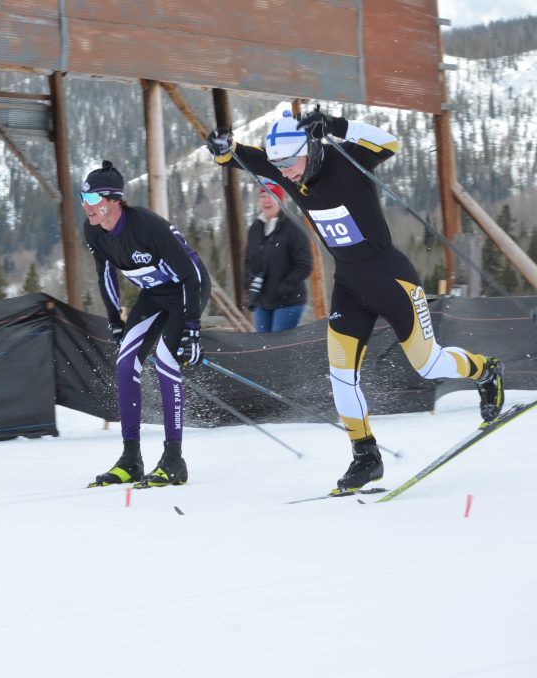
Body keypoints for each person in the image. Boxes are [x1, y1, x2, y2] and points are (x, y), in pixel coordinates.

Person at [206, 109, 504, 492]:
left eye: (289, 163)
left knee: (427, 363)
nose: (285, 173)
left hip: (391, 279)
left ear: (310, 149)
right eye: (278, 165)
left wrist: (334, 126)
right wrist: (222, 146)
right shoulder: (287, 167)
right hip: (348, 285)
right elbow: (235, 157)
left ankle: (485, 370)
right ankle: (365, 456)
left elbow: (389, 143)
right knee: (341, 375)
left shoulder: (346, 160)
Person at [81, 160, 211, 489]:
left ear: (113, 201)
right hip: (153, 295)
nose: (87, 208)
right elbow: (106, 274)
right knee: (126, 363)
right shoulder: (93, 230)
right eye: (82, 200)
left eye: (94, 201)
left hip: (185, 292)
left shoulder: (147, 226)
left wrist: (192, 328)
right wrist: (114, 321)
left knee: (168, 362)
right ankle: (130, 458)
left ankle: (173, 459)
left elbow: (191, 275)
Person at [244, 178, 313, 332]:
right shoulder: (255, 228)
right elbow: (248, 260)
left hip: (288, 302)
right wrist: (249, 282)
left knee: (279, 349)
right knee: (264, 347)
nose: (266, 200)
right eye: (263, 196)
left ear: (280, 200)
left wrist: (282, 289)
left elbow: (304, 265)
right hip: (262, 302)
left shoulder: (293, 227)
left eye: (271, 195)